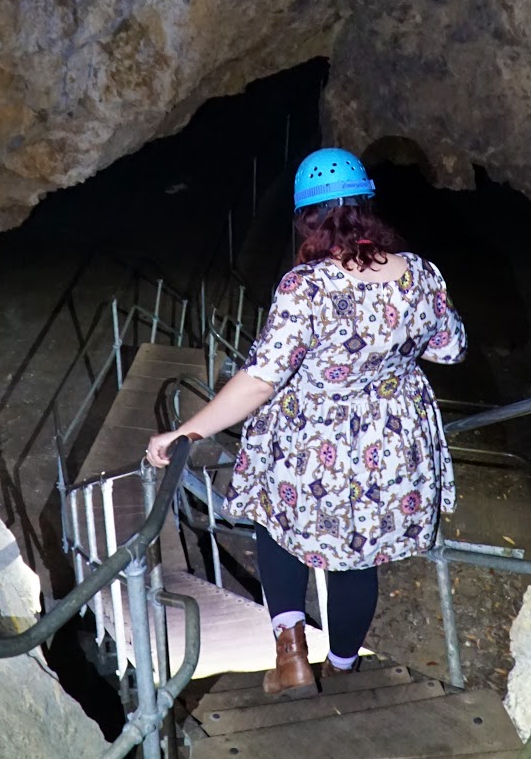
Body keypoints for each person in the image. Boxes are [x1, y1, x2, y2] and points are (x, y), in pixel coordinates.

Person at [146, 147, 467, 697]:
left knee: (277, 527)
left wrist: (185, 431)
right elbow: (451, 349)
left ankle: (291, 654)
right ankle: (342, 671)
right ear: (368, 206)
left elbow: (261, 379)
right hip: (385, 448)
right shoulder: (419, 274)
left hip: (308, 443)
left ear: (306, 218)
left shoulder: (307, 288)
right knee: (355, 561)